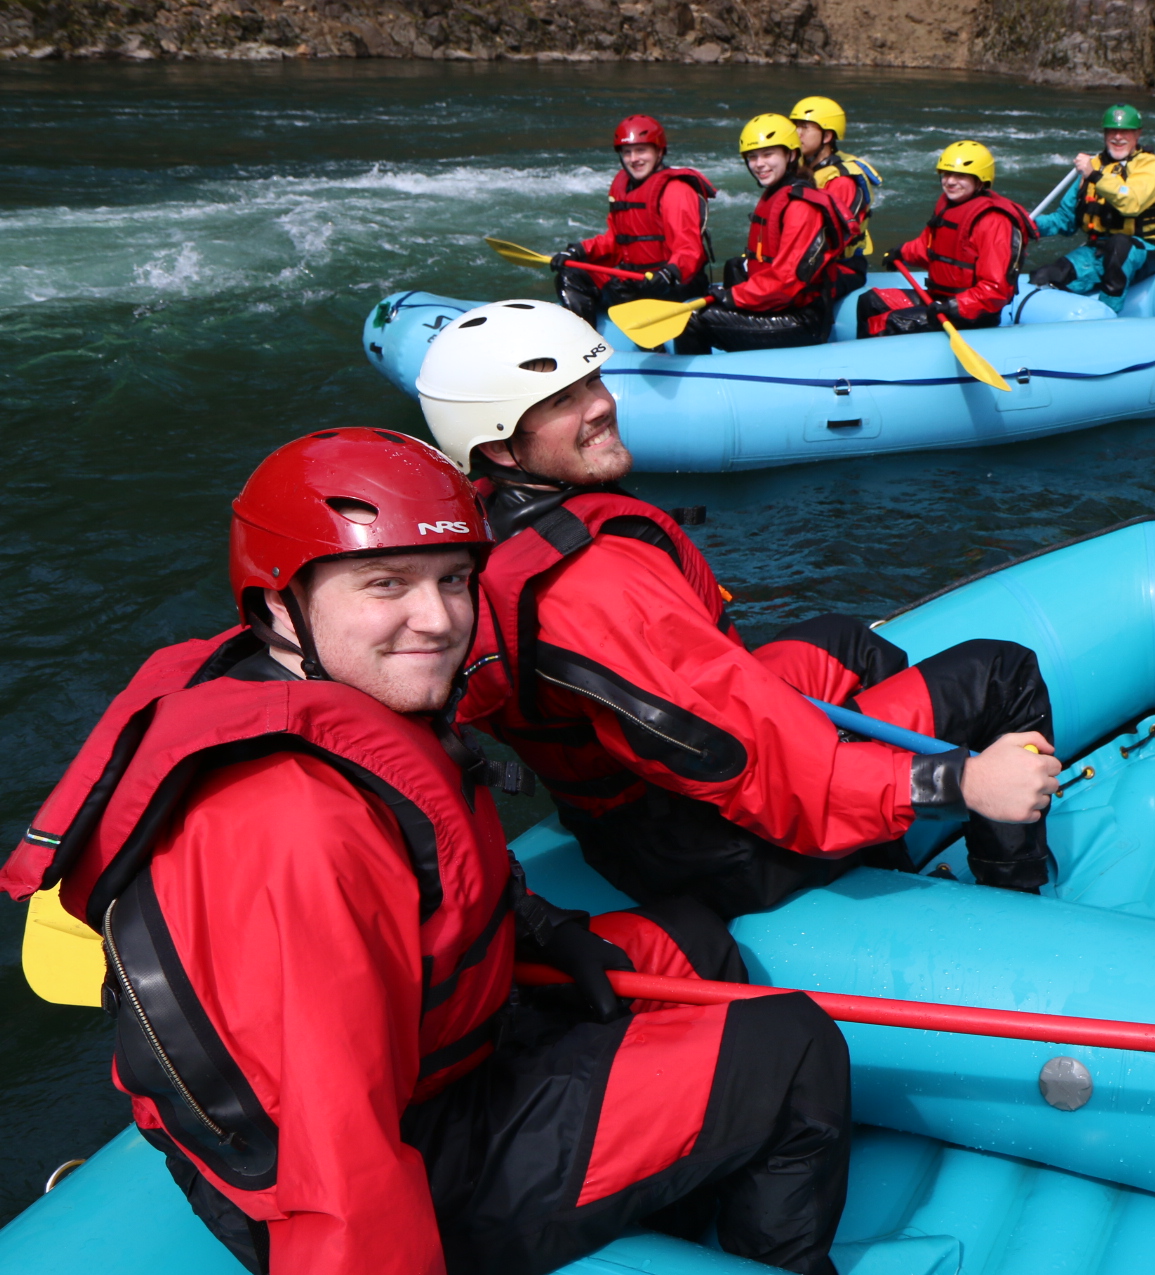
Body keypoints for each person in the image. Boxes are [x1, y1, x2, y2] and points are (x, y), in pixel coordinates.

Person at [0, 429, 852, 1275]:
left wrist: (541, 928)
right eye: (386, 584)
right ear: (276, 606)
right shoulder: (292, 826)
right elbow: (334, 1158)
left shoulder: (323, 688)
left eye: (454, 581)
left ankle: (675, 1188)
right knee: (794, 1046)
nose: (439, 619)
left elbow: (434, 870)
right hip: (401, 1163)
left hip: (437, 1065)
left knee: (693, 944)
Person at [415, 300, 1063, 914]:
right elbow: (758, 767)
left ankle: (884, 846)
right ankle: (1017, 900)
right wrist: (960, 783)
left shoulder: (481, 527)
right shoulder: (594, 585)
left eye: (594, 382)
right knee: (1003, 673)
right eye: (563, 401)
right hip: (716, 846)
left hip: (636, 802)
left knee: (844, 640)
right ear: (500, 446)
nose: (602, 405)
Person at [676, 115, 852, 355]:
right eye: (752, 157)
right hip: (777, 308)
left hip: (800, 320)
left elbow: (786, 280)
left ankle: (698, 386)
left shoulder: (801, 205)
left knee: (693, 321)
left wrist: (732, 297)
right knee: (734, 267)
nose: (759, 164)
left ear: (790, 155)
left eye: (768, 154)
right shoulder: (776, 193)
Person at [856, 141, 1037, 340]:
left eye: (960, 176)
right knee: (870, 301)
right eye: (946, 174)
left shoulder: (993, 221)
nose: (950, 181)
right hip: (939, 299)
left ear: (980, 180)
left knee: (890, 322)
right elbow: (928, 247)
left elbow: (995, 289)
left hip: (971, 313)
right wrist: (901, 252)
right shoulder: (950, 205)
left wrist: (953, 306)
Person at [553, 114, 716, 321]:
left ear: (659, 151)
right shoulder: (623, 186)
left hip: (672, 285)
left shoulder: (675, 191)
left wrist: (668, 273)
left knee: (619, 289)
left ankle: (654, 348)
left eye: (641, 150)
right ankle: (586, 341)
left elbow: (689, 250)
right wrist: (579, 252)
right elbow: (615, 242)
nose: (634, 159)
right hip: (636, 281)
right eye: (627, 152)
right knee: (571, 276)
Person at [1029, 103, 1155, 313]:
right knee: (1043, 277)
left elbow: (1131, 202)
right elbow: (1065, 220)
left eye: (1125, 132)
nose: (1118, 137)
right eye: (1112, 131)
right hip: (1096, 252)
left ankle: (1106, 319)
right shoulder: (1091, 165)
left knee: (1119, 245)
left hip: (1140, 251)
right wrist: (1027, 224)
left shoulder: (1150, 166)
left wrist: (1095, 176)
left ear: (1138, 134)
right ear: (1104, 134)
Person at [790, 96, 882, 299]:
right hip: (809, 261)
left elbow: (833, 239)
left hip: (841, 267)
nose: (797, 133)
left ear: (827, 136)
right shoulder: (798, 169)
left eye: (805, 127)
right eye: (795, 126)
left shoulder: (841, 181)